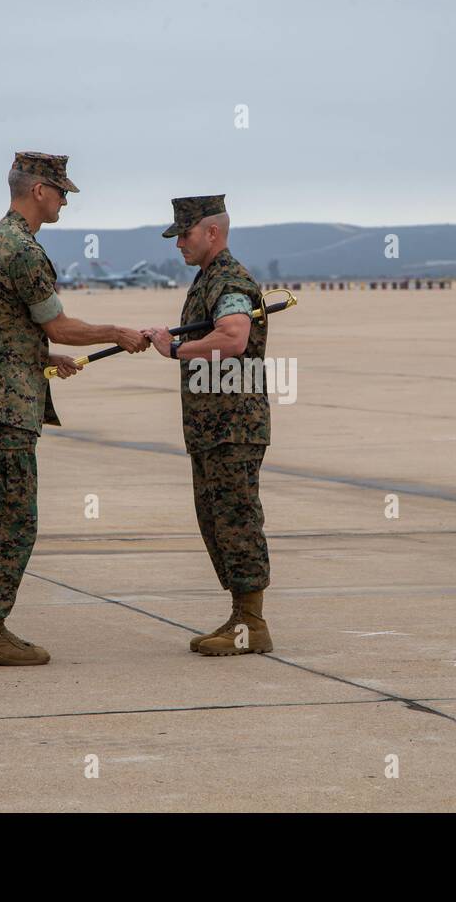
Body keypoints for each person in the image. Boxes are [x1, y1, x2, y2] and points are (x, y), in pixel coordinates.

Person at [0, 151, 149, 666]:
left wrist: (44, 356)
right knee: (11, 519)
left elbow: (0, 328)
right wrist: (117, 332)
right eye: (61, 191)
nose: (65, 200)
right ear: (38, 189)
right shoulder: (22, 250)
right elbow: (58, 323)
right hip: (2, 412)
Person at [143, 195, 273, 656]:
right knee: (217, 520)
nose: (179, 243)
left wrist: (175, 350)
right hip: (212, 428)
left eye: (185, 233)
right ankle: (242, 616)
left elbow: (234, 337)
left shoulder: (229, 280)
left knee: (236, 520)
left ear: (212, 233)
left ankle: (252, 624)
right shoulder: (208, 280)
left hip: (232, 427)